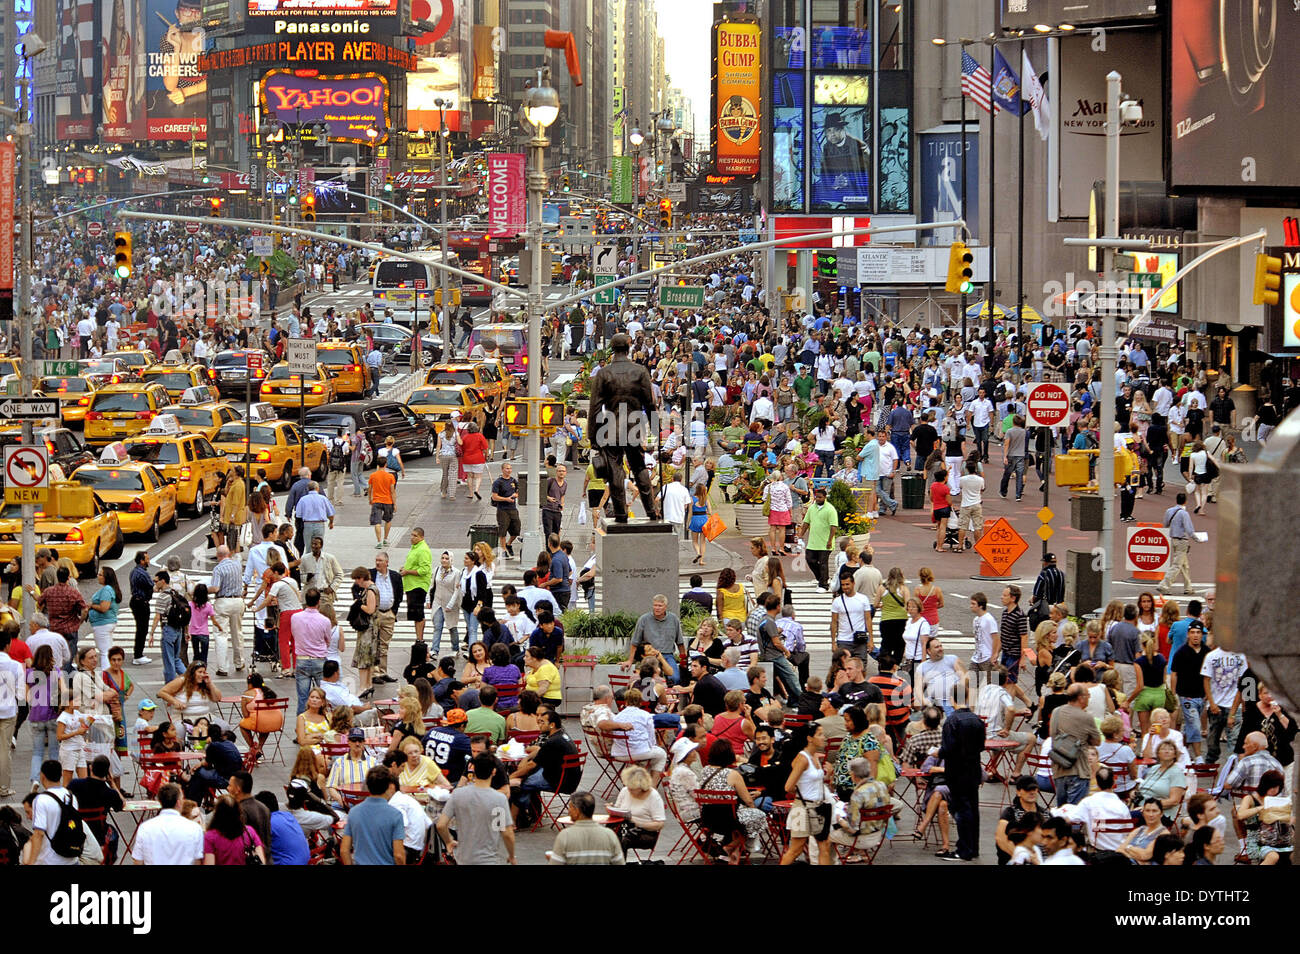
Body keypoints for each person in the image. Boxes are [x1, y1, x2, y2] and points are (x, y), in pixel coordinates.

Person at [437, 753, 516, 865]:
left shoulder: (458, 795)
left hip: (463, 859)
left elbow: (441, 825)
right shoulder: (499, 799)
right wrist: (511, 856)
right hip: (489, 859)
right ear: (493, 772)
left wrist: (448, 841)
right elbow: (507, 833)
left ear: (473, 771)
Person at [779, 723, 834, 866]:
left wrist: (828, 775)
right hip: (802, 809)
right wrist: (801, 793)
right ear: (810, 738)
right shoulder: (803, 758)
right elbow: (789, 786)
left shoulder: (814, 756)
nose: (824, 737)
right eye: (820, 734)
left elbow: (811, 780)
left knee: (824, 845)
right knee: (796, 850)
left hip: (817, 806)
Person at [1049, 684, 1102, 806]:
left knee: (1062, 811)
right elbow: (1097, 741)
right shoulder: (1086, 717)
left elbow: (1052, 734)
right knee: (1075, 814)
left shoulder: (1056, 712)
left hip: (1059, 768)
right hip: (1078, 770)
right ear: (1081, 698)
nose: (1089, 698)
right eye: (1088, 695)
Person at [340, 766, 405, 866]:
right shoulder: (395, 815)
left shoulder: (354, 812)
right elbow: (399, 855)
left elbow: (344, 850)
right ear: (389, 786)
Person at [130, 782, 203, 865]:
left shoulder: (145, 828)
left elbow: (138, 862)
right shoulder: (194, 828)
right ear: (178, 803)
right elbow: (198, 861)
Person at [1201, 637, 1246, 765]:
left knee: (1235, 739)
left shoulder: (1240, 656)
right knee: (1212, 739)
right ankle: (1210, 763)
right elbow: (1206, 680)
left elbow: (1245, 681)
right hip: (1216, 705)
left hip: (1234, 704)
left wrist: (1244, 703)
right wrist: (1211, 703)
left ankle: (1235, 766)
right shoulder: (1211, 656)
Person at [548, 791, 624, 865]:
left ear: (577, 811)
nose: (569, 811)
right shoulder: (610, 835)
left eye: (570, 807)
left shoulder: (565, 836)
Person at [1237, 769, 1291, 865]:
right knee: (1273, 857)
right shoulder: (1250, 799)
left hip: (1278, 840)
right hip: (1257, 841)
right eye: (1272, 787)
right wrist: (1260, 808)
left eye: (1277, 787)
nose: (1274, 790)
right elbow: (1240, 815)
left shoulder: (1276, 799)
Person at [799, 485, 839, 591]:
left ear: (825, 497)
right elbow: (806, 522)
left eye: (820, 497)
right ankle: (822, 578)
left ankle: (824, 585)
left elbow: (833, 526)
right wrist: (800, 535)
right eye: (816, 497)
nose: (817, 499)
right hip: (813, 542)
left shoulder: (830, 509)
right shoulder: (812, 508)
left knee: (823, 563)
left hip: (825, 543)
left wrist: (830, 540)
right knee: (810, 560)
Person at [1158, 492, 1197, 596]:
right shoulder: (1184, 513)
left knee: (1184, 565)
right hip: (1182, 540)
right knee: (1177, 565)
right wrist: (1197, 538)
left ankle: (1188, 587)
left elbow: (1165, 524)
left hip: (1173, 539)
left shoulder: (1169, 511)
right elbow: (1189, 529)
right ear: (1185, 501)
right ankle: (1164, 585)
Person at [367, 455, 398, 550]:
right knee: (388, 520)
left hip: (376, 500)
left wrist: (370, 499)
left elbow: (369, 489)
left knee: (377, 521)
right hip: (388, 501)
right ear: (386, 464)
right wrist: (395, 503)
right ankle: (386, 538)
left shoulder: (373, 476)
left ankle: (379, 541)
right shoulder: (390, 476)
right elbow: (392, 491)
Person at [955, 459, 985, 552]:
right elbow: (982, 489)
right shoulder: (980, 479)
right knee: (977, 526)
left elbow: (960, 487)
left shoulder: (962, 479)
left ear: (967, 469)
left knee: (962, 526)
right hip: (976, 503)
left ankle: (960, 546)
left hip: (965, 504)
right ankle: (978, 547)